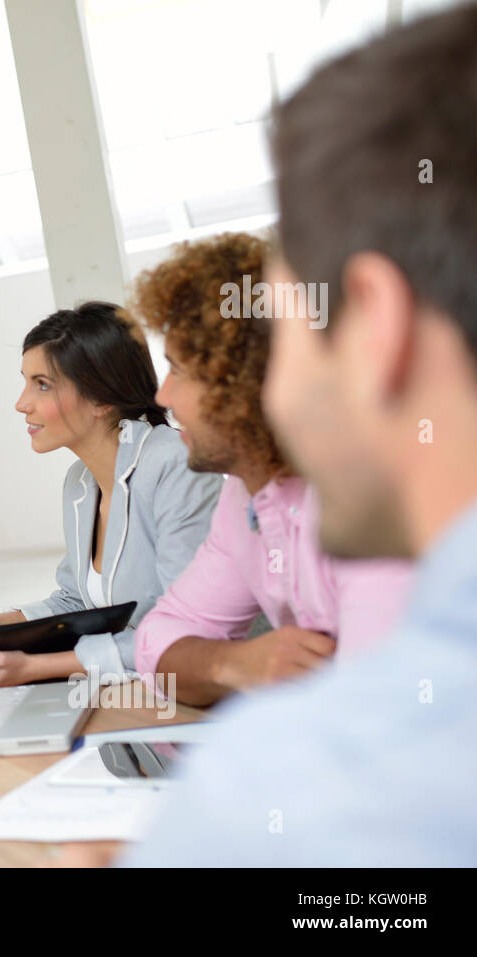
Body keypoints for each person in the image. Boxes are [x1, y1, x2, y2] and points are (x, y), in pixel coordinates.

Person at [123, 2, 477, 865]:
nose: (160, 392)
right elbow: (155, 643)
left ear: (377, 328)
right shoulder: (246, 506)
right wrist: (243, 664)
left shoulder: (272, 794)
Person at [128, 232, 414, 707]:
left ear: (243, 388)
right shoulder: (244, 495)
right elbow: (158, 643)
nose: (163, 396)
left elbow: (376, 721)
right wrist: (233, 663)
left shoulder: (372, 503)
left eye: (178, 370)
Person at [0, 301, 220, 686]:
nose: (21, 403)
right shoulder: (80, 481)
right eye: (25, 382)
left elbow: (188, 632)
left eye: (42, 385)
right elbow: (76, 601)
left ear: (102, 398)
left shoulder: (175, 466)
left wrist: (35, 668)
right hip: (135, 695)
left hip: (203, 703)